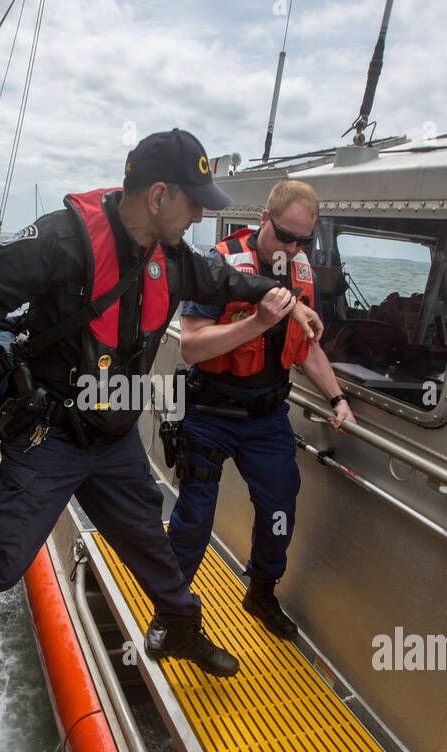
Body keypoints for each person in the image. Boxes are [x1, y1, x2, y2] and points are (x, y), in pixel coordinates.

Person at [0, 129, 322, 677]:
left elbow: (224, 277)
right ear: (159, 197)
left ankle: (179, 628)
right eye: (194, 204)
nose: (199, 219)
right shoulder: (61, 239)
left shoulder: (173, 255)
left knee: (149, 542)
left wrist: (284, 303)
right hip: (53, 437)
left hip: (115, 442)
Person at [165, 180, 355, 641]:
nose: (291, 247)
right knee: (193, 518)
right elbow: (191, 346)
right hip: (211, 411)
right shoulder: (220, 262)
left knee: (279, 509)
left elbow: (306, 347)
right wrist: (259, 321)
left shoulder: (302, 273)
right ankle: (171, 616)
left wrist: (337, 398)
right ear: (265, 219)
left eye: (302, 240)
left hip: (267, 417)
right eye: (285, 236)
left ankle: (262, 591)